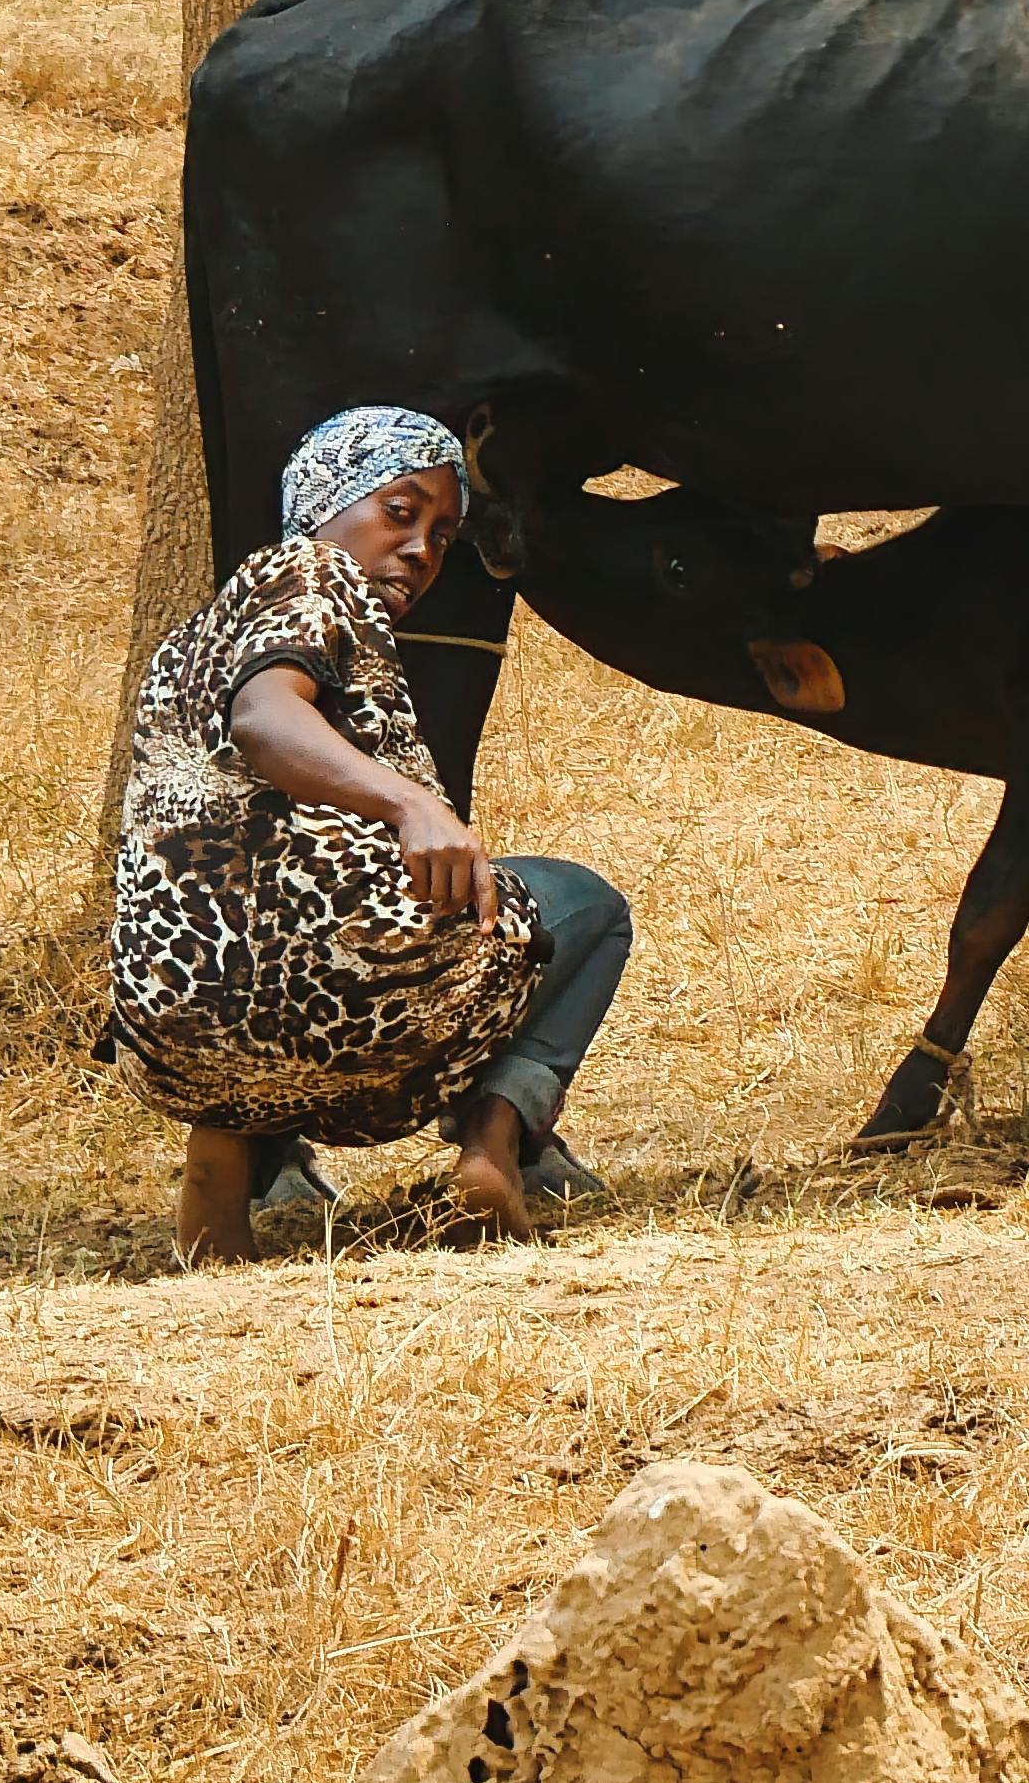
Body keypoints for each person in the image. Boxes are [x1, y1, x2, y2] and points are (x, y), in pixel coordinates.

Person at [102, 407, 637, 1264]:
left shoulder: (194, 641)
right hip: (356, 998)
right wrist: (412, 807)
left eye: (442, 532)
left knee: (250, 921)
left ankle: (223, 1159)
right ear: (327, 496)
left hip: (172, 1023)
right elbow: (265, 717)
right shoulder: (311, 576)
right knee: (589, 908)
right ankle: (492, 1152)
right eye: (401, 510)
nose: (423, 549)